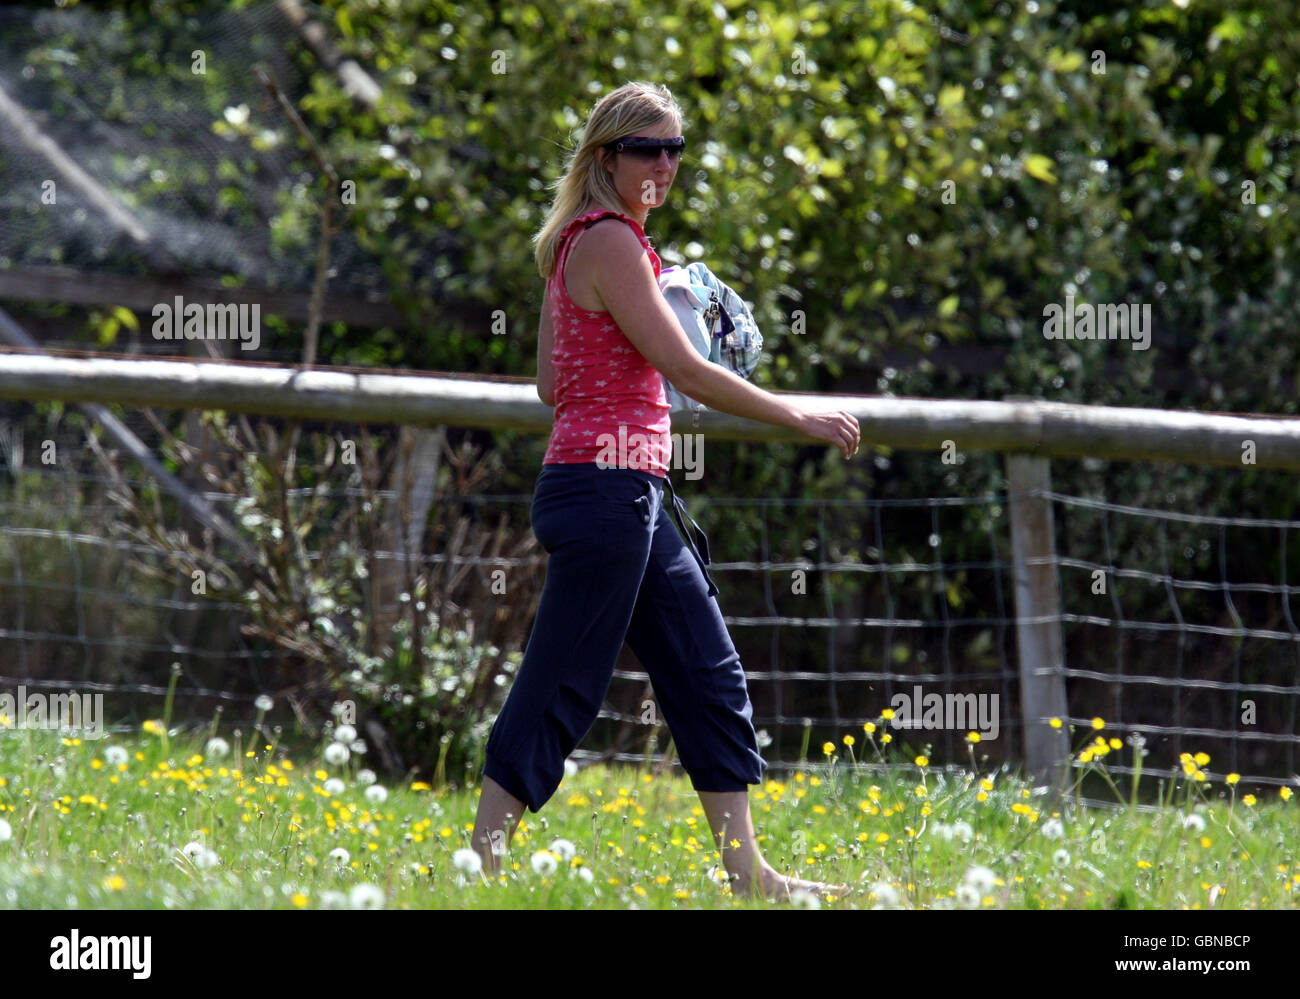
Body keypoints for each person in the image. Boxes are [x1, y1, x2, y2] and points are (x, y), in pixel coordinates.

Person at [471, 81, 861, 901]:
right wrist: (799, 415)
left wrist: (645, 343)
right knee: (562, 678)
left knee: (705, 667)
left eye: (675, 148)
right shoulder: (609, 239)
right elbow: (684, 370)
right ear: (605, 158)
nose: (664, 163)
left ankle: (749, 874)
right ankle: (481, 866)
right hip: (603, 493)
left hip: (629, 492)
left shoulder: (585, 244)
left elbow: (551, 383)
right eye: (647, 148)